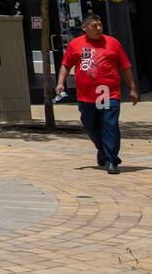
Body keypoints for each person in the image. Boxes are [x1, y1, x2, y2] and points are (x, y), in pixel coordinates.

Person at [56, 13, 140, 174]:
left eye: (100, 25)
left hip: (108, 92)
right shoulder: (75, 44)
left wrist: (133, 88)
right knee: (90, 125)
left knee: (110, 125)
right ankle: (103, 149)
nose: (98, 28)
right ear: (84, 28)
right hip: (86, 95)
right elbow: (66, 65)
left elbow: (125, 67)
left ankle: (111, 160)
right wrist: (60, 83)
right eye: (94, 26)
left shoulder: (113, 43)